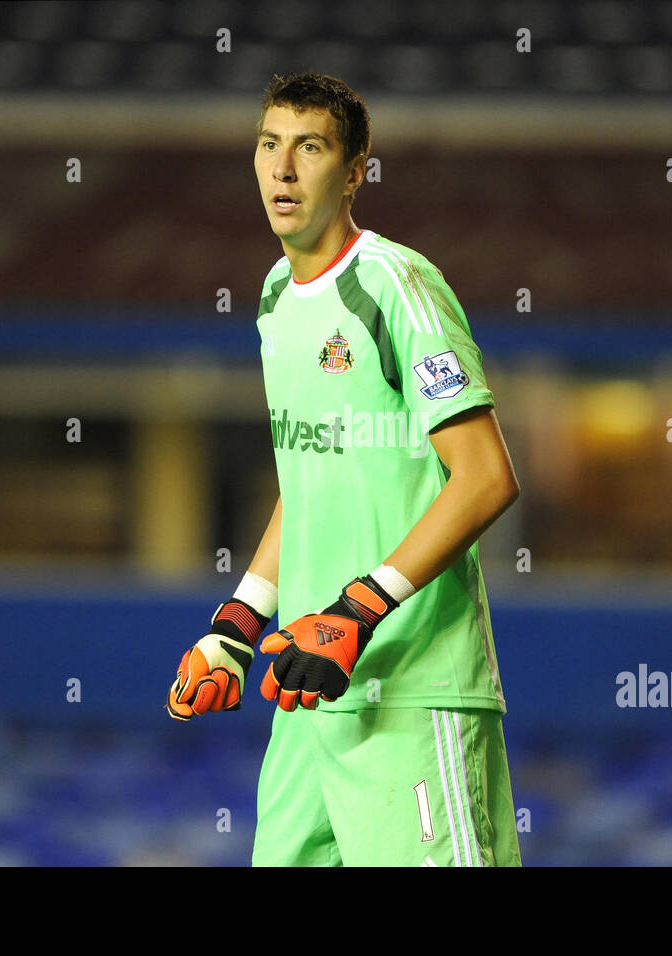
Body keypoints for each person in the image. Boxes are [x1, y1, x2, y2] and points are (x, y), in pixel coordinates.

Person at [167, 71, 522, 867]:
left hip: (411, 691)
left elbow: (487, 477)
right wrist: (236, 625)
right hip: (308, 693)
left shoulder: (396, 284)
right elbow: (311, 478)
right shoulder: (272, 298)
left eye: (310, 148)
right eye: (268, 146)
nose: (283, 170)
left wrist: (358, 611)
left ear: (355, 170)